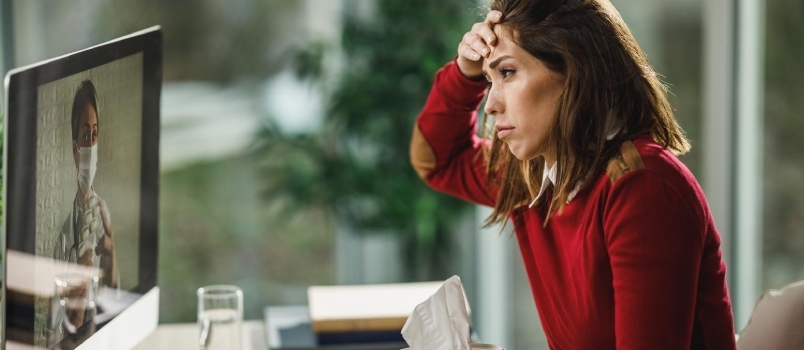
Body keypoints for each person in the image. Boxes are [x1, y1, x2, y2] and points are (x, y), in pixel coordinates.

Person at [410, 0, 737, 348]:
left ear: (574, 70)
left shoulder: (643, 188)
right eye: (489, 79)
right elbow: (437, 159)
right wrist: (465, 73)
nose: (489, 104)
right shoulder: (536, 176)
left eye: (506, 73)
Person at [50, 80, 118, 342]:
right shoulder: (63, 241)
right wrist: (71, 322)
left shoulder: (104, 215)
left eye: (95, 134)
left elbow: (116, 301)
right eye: (84, 136)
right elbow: (52, 333)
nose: (90, 144)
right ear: (74, 149)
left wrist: (111, 261)